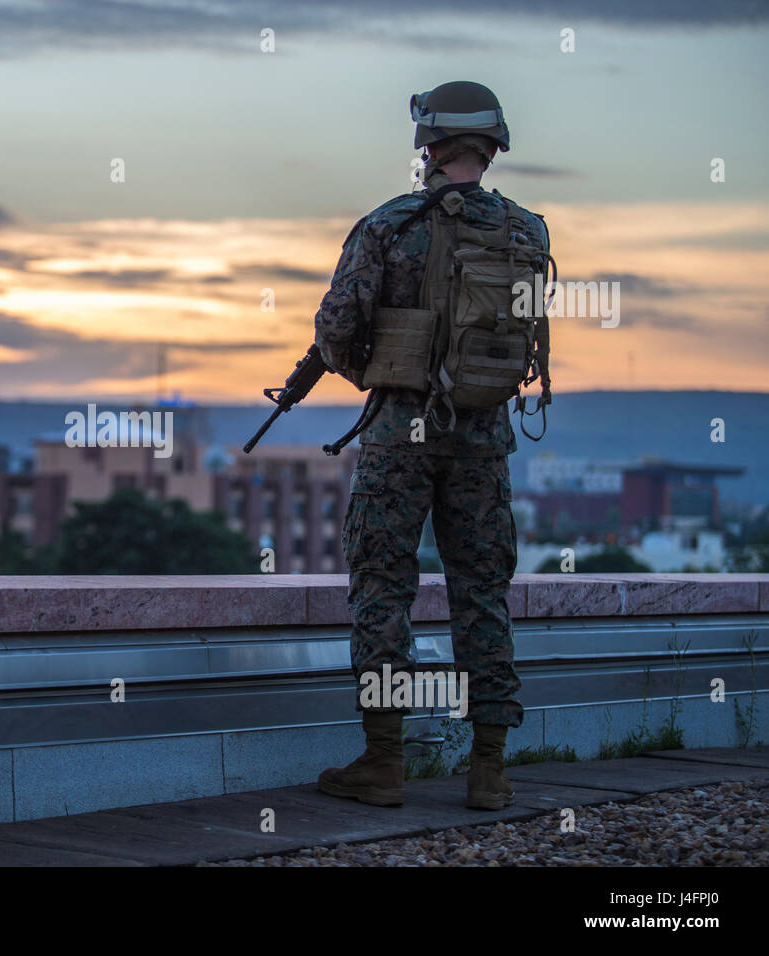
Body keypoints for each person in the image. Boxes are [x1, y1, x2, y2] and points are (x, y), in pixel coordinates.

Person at [312, 81, 551, 809]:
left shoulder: (388, 225)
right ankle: (489, 769)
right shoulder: (528, 231)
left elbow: (334, 331)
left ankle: (384, 762)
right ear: (492, 144)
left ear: (429, 142)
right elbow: (524, 337)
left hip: (400, 435)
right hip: (483, 437)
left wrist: (384, 376)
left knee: (385, 588)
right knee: (483, 593)